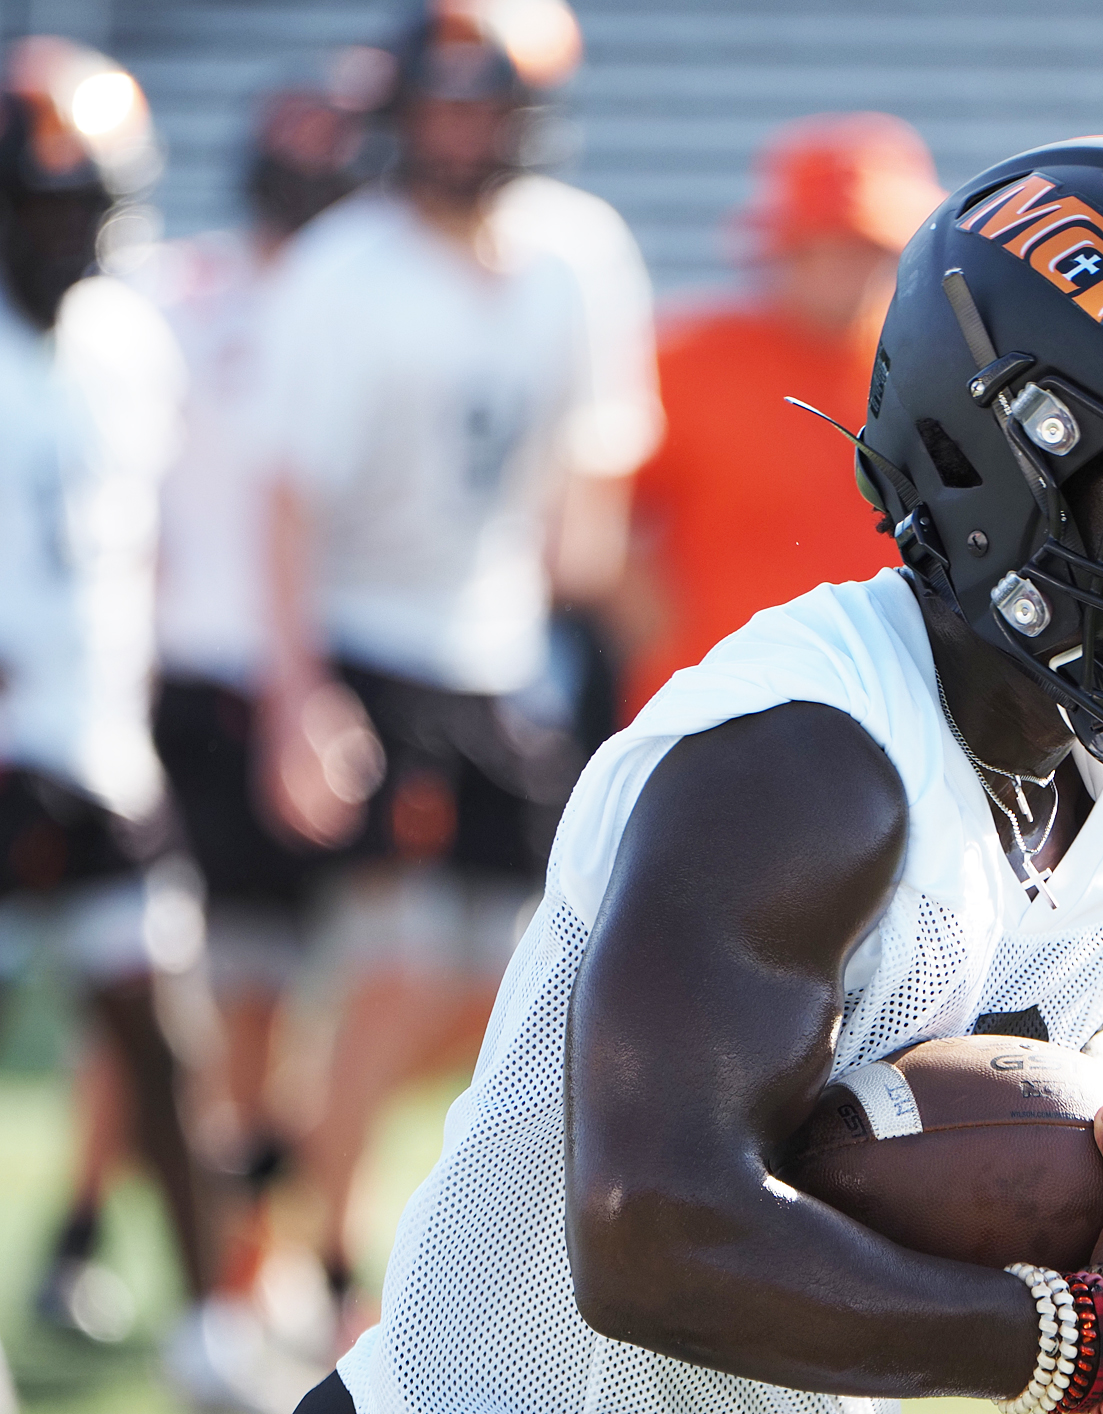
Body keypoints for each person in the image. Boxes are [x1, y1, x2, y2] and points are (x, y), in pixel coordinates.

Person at [289, 133, 1103, 1414]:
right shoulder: (807, 763)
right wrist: (1068, 1343)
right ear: (1005, 464)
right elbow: (648, 1234)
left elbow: (966, 1184)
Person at [250, 0, 659, 1343]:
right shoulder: (346, 270)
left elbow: (585, 500)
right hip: (369, 642)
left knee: (522, 985)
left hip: (498, 657)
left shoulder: (575, 256)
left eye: (481, 108)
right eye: (438, 105)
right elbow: (289, 500)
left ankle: (272, 1152)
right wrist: (298, 694)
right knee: (396, 962)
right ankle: (321, 1252)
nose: (456, 133)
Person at [0, 33, 290, 1408]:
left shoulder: (131, 340)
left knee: (163, 1046)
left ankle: (206, 1332)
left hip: (99, 747)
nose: (62, 236)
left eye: (80, 209)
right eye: (34, 209)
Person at [614, 111, 941, 718]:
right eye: (823, 246)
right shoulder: (686, 362)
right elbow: (605, 514)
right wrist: (658, 631)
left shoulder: (936, 369)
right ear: (783, 246)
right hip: (715, 697)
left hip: (892, 699)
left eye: (863, 248)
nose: (843, 270)